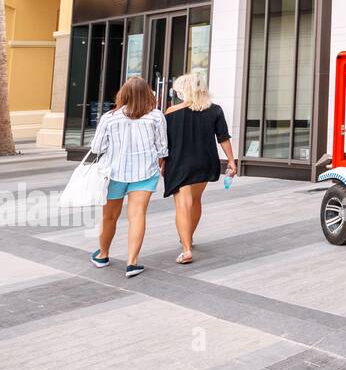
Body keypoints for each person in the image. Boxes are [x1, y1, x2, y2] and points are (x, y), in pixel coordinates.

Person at [89, 76, 167, 278]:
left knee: (109, 216)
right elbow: (162, 148)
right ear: (148, 94)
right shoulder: (156, 117)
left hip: (114, 173)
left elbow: (97, 147)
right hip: (145, 173)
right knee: (137, 215)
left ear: (123, 94)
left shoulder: (109, 117)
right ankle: (132, 263)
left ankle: (103, 255)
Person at [164, 72, 236, 264]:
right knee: (195, 201)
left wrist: (161, 164)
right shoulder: (215, 110)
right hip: (205, 161)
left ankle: (186, 249)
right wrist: (231, 160)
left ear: (184, 91)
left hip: (180, 163)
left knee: (183, 205)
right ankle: (188, 237)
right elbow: (223, 137)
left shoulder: (171, 112)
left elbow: (164, 143)